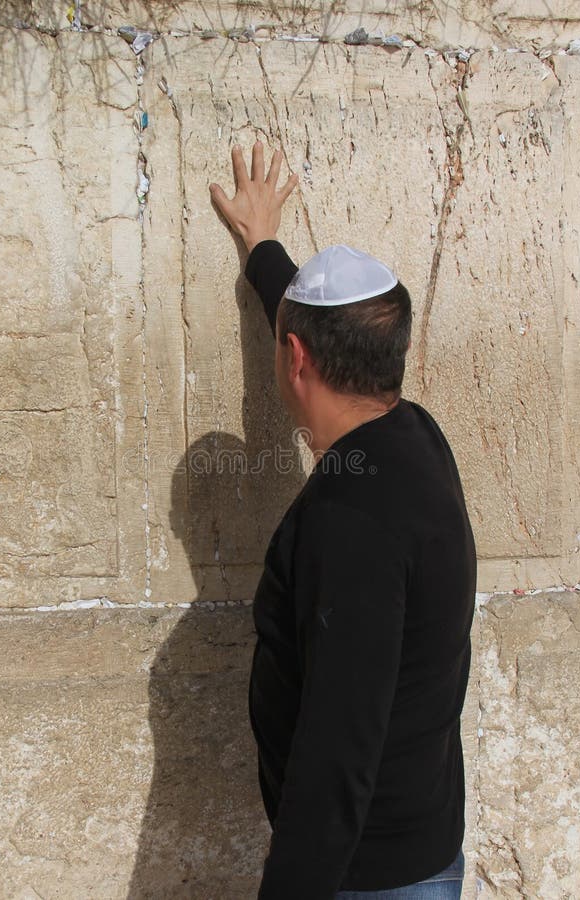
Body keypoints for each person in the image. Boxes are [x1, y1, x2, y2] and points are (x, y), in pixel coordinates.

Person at [209, 142, 476, 900]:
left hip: (364, 877)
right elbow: (322, 334)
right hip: (419, 845)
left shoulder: (348, 520)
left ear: (293, 357)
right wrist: (264, 250)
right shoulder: (416, 438)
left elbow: (337, 747)